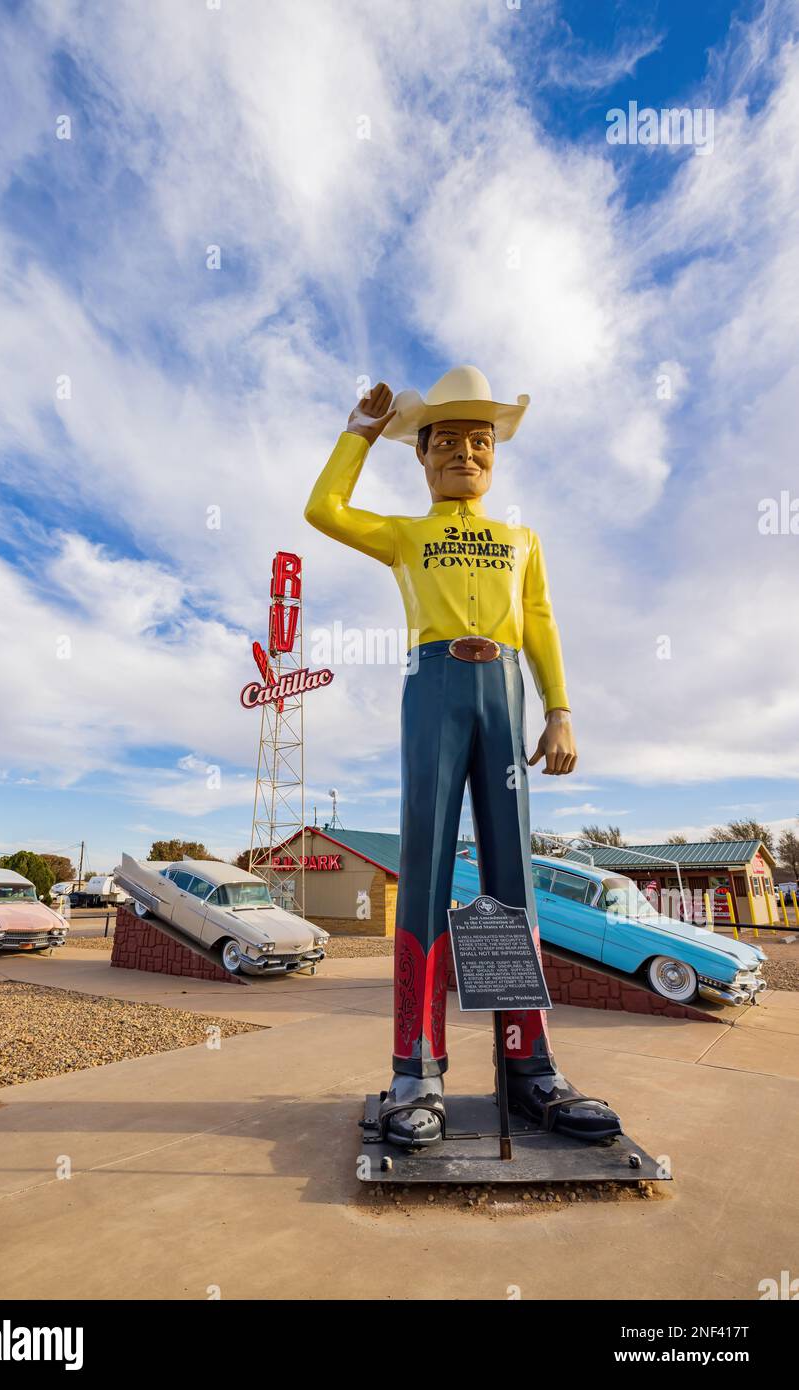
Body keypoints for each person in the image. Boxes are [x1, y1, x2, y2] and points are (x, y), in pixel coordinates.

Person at [305, 366, 621, 1148]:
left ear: (495, 457)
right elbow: (323, 510)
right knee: (424, 869)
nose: (466, 455)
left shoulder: (520, 540)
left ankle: (530, 1066)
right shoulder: (406, 533)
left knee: (512, 869)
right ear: (422, 456)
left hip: (503, 687)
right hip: (433, 687)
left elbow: (540, 620)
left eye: (480, 443)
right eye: (447, 442)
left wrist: (558, 710)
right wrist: (358, 433)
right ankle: (416, 1067)